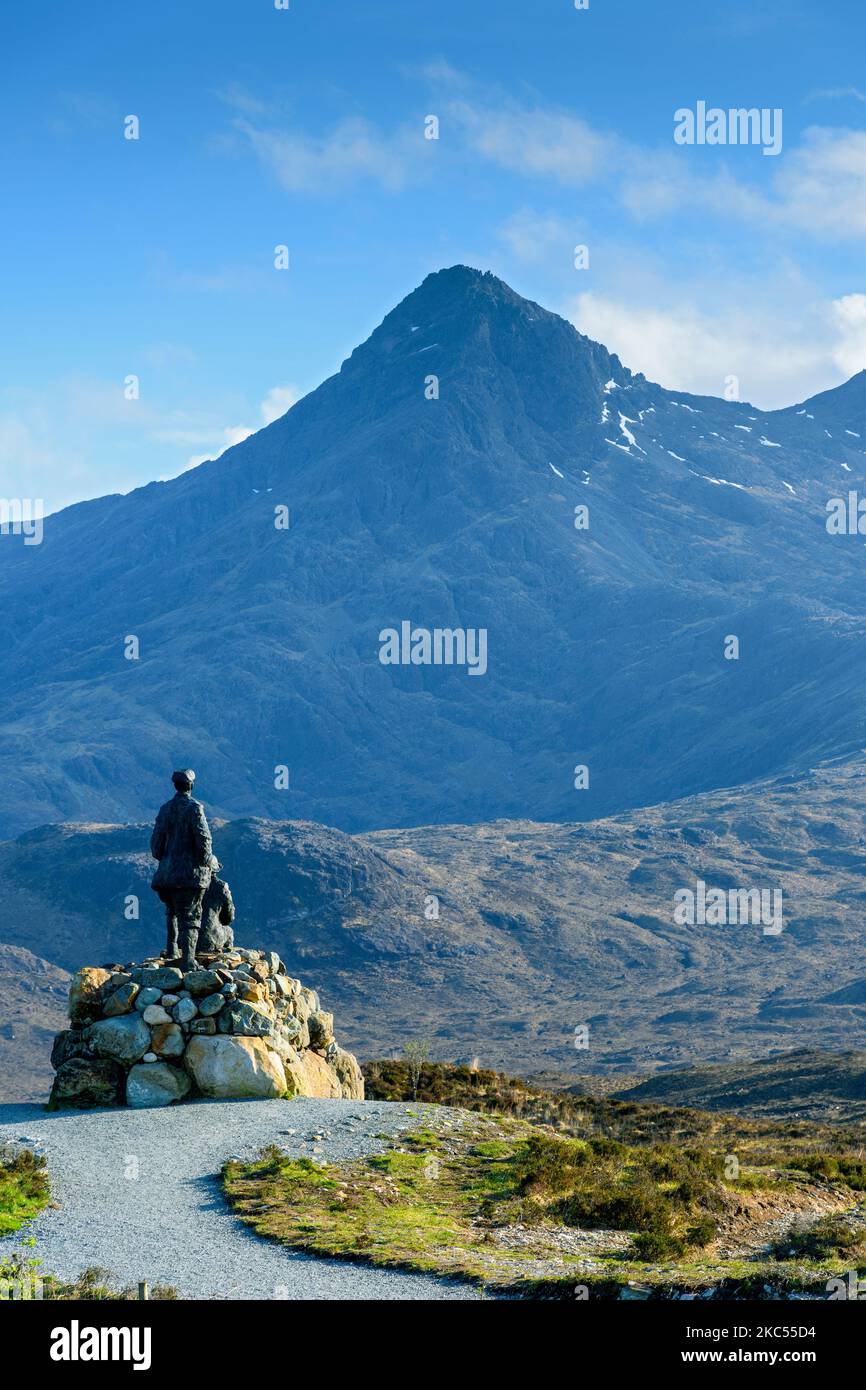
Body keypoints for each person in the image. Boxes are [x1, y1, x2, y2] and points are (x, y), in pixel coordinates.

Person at [150, 769, 213, 970]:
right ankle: (188, 960)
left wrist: (168, 860)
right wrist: (204, 864)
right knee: (190, 916)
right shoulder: (194, 808)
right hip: (189, 875)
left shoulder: (165, 809)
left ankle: (171, 949)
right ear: (191, 786)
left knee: (172, 911)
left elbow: (156, 846)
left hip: (166, 876)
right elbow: (204, 839)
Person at [198, 859, 236, 954]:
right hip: (211, 937)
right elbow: (228, 917)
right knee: (229, 931)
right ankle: (224, 958)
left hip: (185, 937)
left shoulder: (190, 885)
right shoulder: (221, 886)